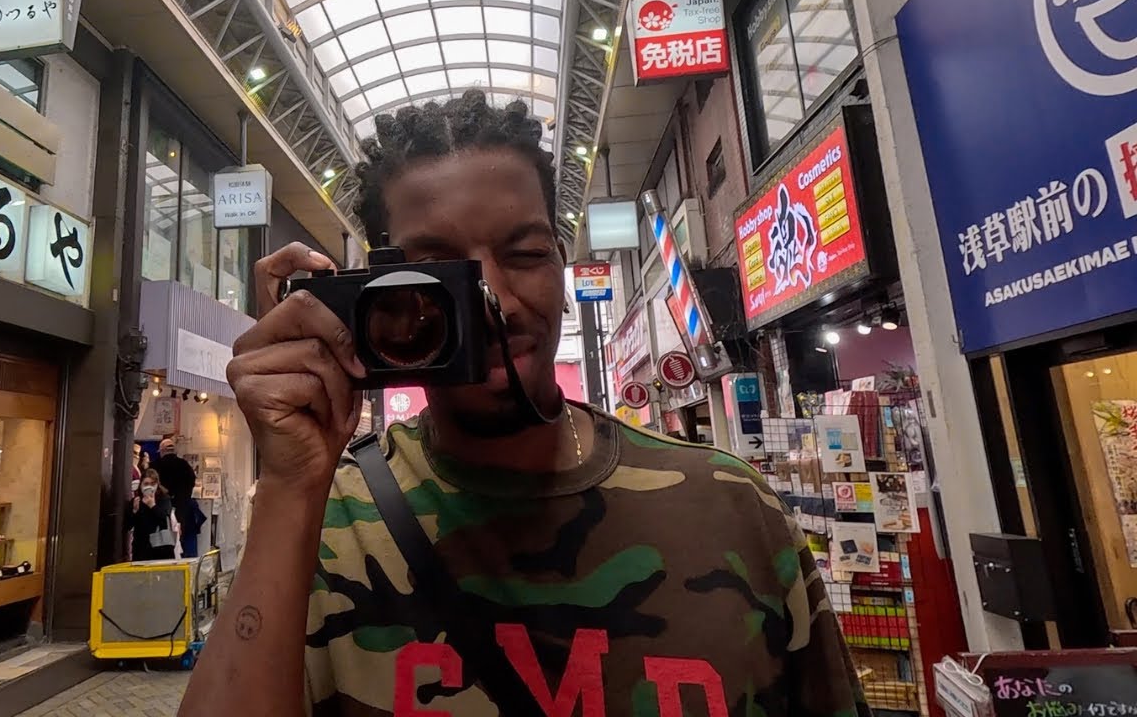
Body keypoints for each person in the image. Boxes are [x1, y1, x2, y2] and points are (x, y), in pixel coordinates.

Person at [181, 90, 869, 716]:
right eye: (442, 272)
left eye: (525, 254)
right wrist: (288, 487)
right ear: (380, 296)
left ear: (564, 271)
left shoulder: (732, 506)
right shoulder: (322, 526)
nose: (498, 304)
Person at [154, 437, 203, 557]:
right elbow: (191, 483)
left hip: (163, 512)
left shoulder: (155, 466)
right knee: (186, 544)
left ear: (162, 451)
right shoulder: (185, 466)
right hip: (185, 509)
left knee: (167, 545)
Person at [125, 469, 178, 561]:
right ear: (140, 485)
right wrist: (134, 511)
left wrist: (152, 505)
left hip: (161, 547)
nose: (149, 487)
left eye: (152, 484)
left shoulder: (163, 499)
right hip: (141, 547)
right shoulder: (136, 501)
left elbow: (164, 520)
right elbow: (127, 526)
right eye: (146, 484)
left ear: (157, 485)